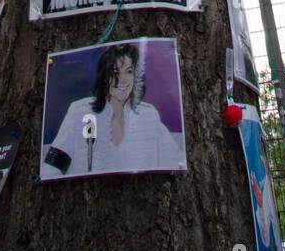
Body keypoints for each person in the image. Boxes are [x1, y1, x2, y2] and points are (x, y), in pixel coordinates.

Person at [42, 43, 186, 178]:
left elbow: (176, 161)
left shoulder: (149, 116)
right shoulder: (79, 112)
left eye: (129, 71)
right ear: (105, 76)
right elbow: (51, 168)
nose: (122, 80)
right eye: (115, 72)